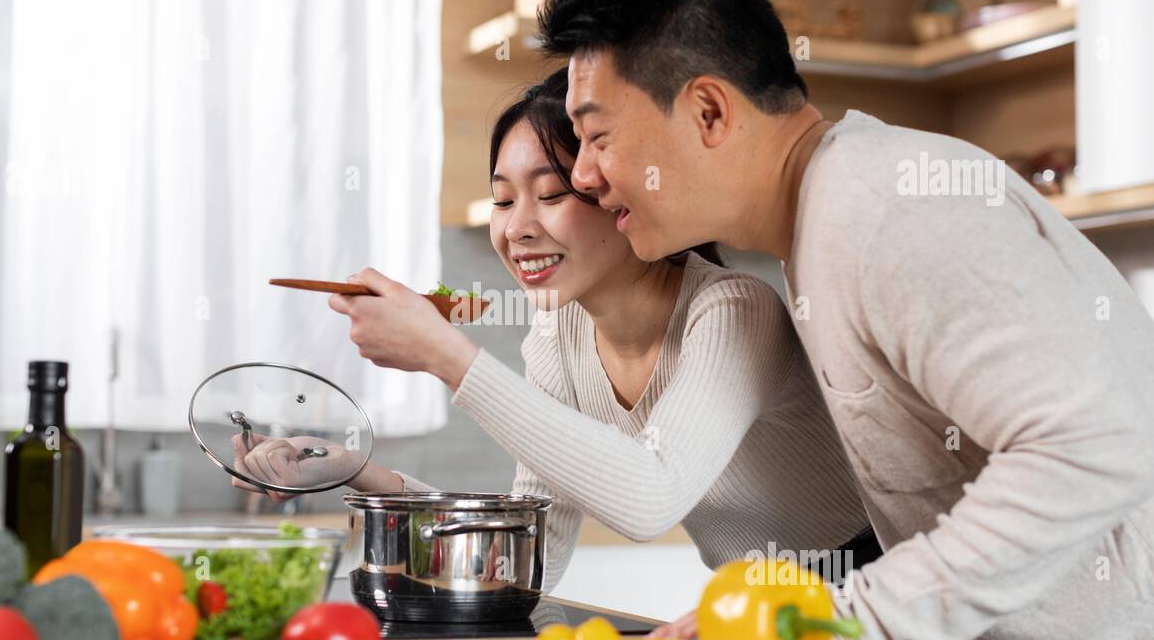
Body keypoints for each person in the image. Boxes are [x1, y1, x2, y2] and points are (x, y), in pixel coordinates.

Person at [524, 0, 1154, 640]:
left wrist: (833, 618)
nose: (583, 174)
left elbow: (1090, 449)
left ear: (709, 111)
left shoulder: (888, 209)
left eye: (596, 135)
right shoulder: (827, 220)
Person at [235, 67, 872, 597]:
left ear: (615, 194)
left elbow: (650, 499)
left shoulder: (733, 313)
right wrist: (351, 469)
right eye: (504, 200)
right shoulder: (557, 336)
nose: (517, 229)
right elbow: (529, 547)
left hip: (881, 604)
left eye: (551, 193)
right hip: (759, 610)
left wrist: (445, 355)